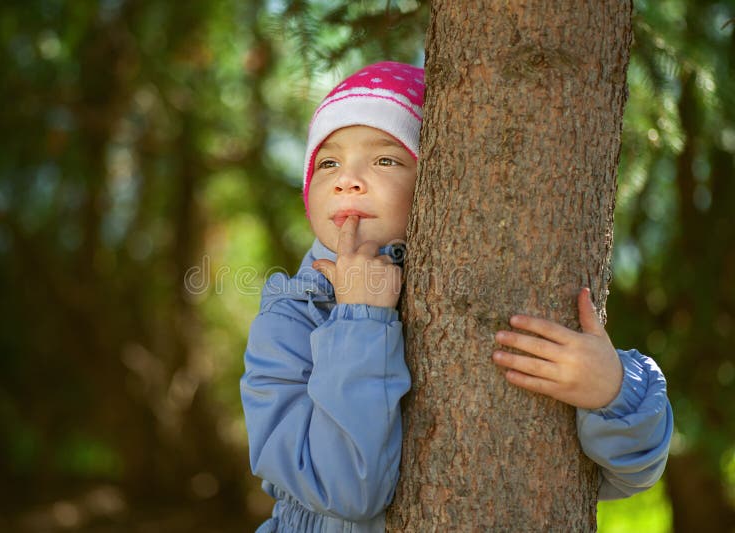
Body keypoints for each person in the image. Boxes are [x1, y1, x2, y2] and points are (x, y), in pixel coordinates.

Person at [240, 61, 673, 533]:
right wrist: (358, 318)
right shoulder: (291, 317)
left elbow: (627, 476)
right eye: (328, 162)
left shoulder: (488, 293)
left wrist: (614, 393)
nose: (348, 179)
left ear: (438, 183)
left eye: (386, 159)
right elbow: (344, 491)